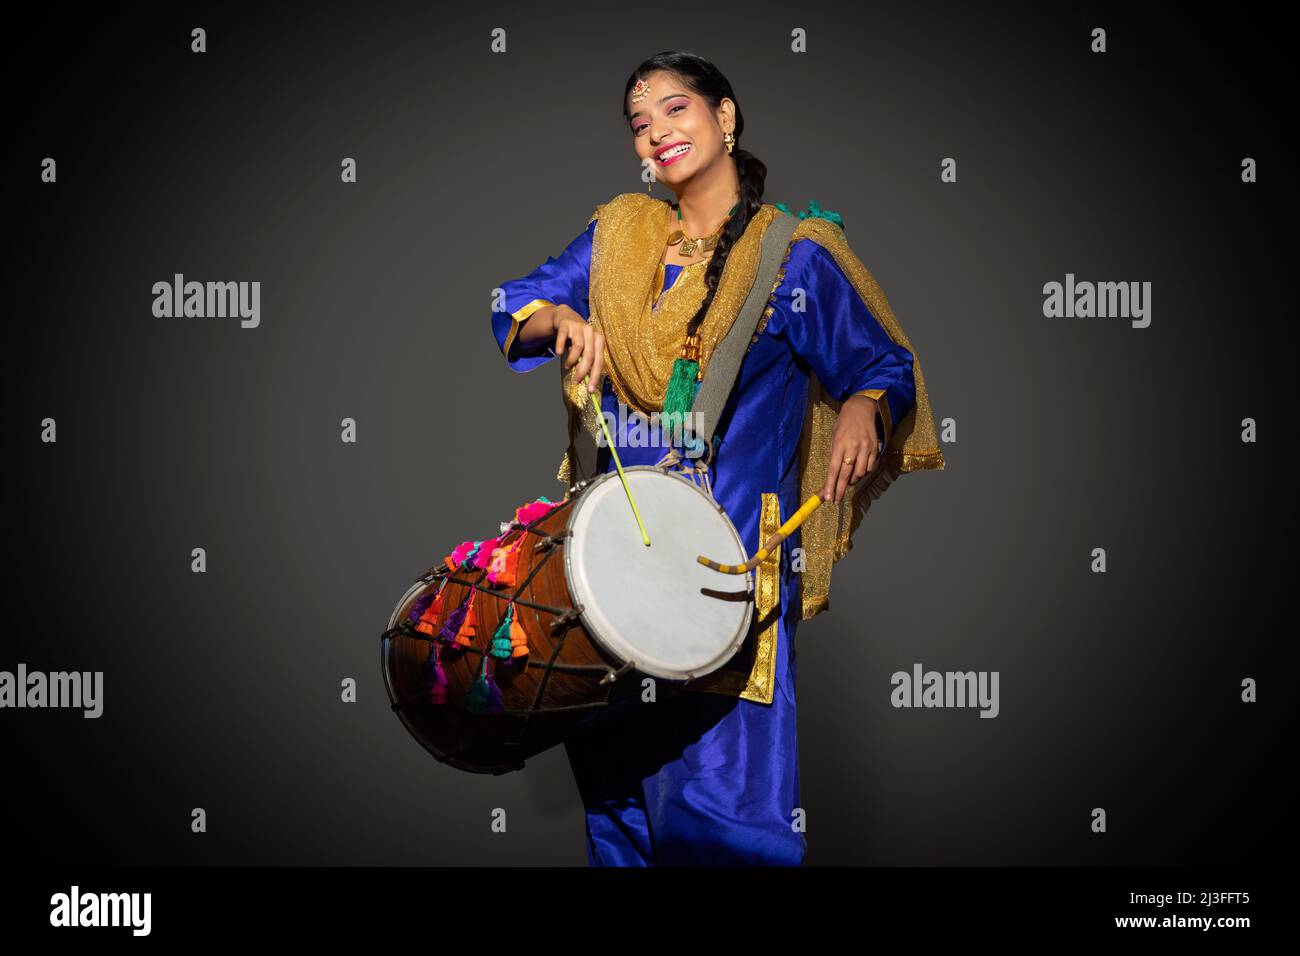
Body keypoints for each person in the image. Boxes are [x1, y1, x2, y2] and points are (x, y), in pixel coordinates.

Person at [488, 51, 944, 866]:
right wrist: (559, 318)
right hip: (610, 590)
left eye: (675, 110)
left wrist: (866, 410)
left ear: (725, 117)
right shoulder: (617, 237)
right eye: (640, 122)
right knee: (620, 816)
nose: (657, 132)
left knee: (724, 830)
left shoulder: (795, 256)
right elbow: (508, 308)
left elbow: (882, 364)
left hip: (728, 583)